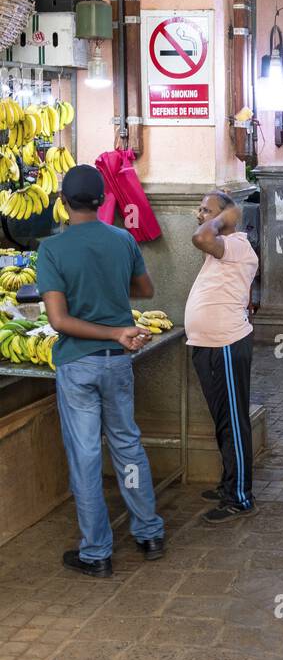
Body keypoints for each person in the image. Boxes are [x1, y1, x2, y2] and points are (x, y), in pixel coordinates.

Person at [36, 164, 164, 577]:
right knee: (127, 446)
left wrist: (89, 301)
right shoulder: (121, 239)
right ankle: (149, 533)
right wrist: (108, 288)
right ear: (102, 200)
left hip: (78, 365)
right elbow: (145, 290)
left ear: (62, 203)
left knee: (87, 457)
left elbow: (58, 321)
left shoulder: (52, 249)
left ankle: (96, 553)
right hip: (117, 365)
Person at [186, 192, 260, 524]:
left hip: (226, 345)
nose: (200, 215)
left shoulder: (238, 245)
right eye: (200, 210)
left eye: (207, 210)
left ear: (227, 217)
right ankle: (229, 482)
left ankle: (240, 496)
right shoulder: (221, 249)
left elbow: (201, 236)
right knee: (222, 421)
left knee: (233, 422)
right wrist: (218, 217)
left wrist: (224, 218)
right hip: (209, 344)